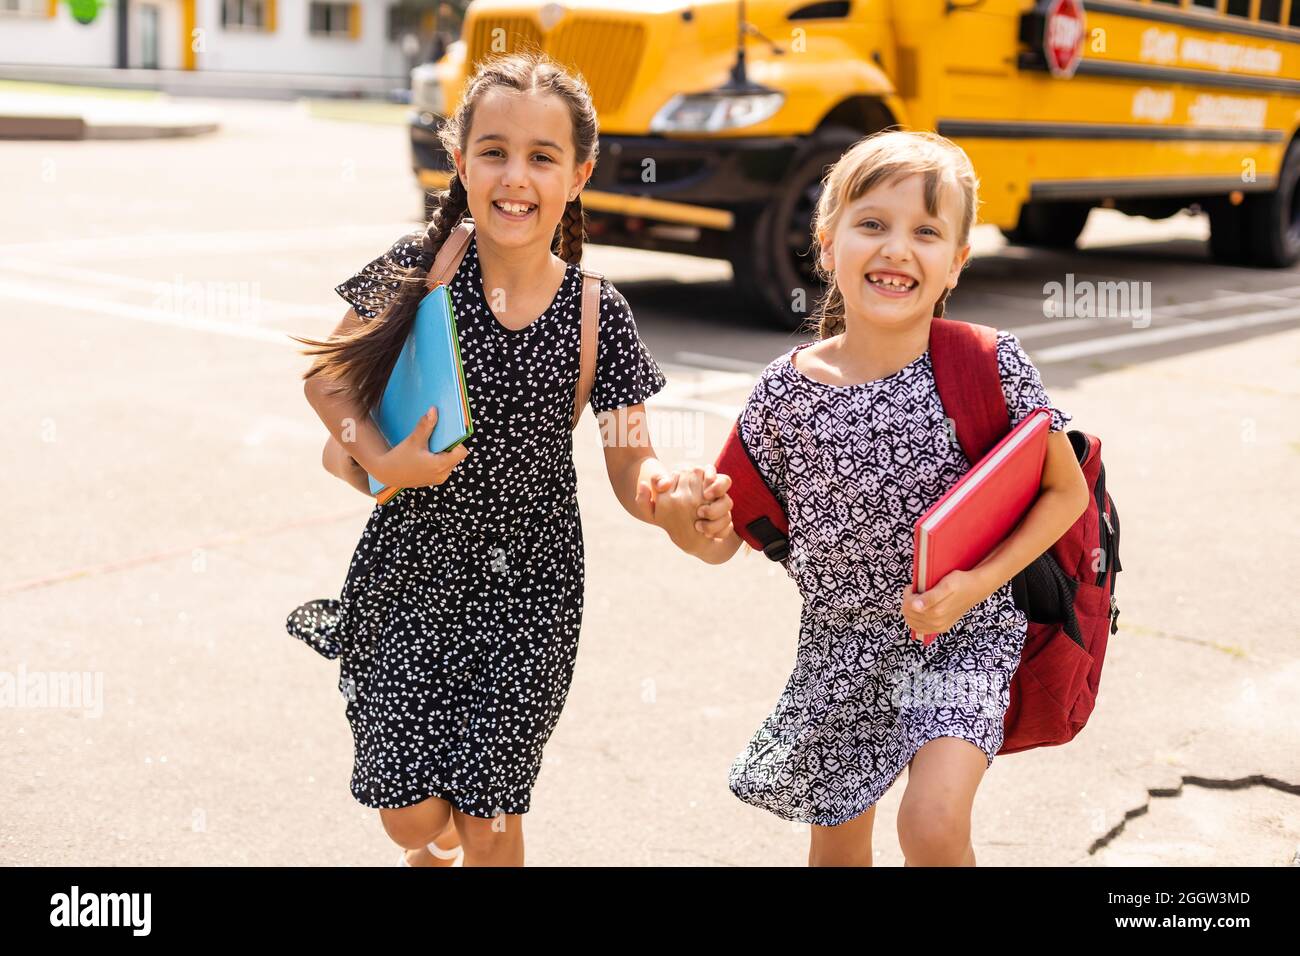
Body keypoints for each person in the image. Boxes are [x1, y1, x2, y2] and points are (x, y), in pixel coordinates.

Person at [284, 52, 732, 867]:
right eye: (492, 151)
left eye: (541, 156)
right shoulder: (416, 268)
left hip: (532, 588)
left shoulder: (599, 311)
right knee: (414, 818)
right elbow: (325, 382)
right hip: (410, 572)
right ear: (458, 160)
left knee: (491, 818)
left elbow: (633, 464)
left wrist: (668, 498)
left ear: (580, 173)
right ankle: (428, 843)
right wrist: (383, 456)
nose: (514, 176)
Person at [683, 130, 1090, 866]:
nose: (897, 248)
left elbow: (1064, 493)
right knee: (837, 849)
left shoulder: (988, 363)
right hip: (840, 647)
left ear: (956, 263)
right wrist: (688, 514)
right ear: (827, 238)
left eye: (927, 232)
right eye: (872, 223)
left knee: (931, 826)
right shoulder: (785, 392)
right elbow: (719, 536)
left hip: (963, 633)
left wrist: (973, 586)